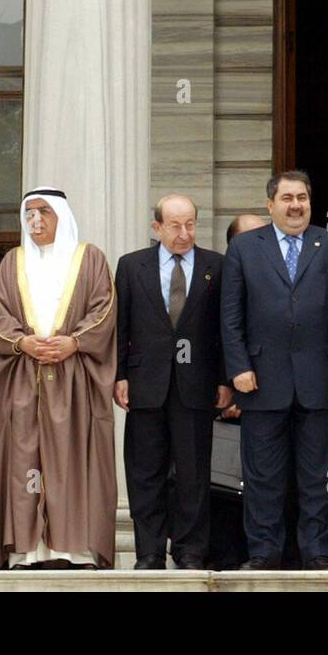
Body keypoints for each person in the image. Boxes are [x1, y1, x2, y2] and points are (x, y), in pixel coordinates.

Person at [224, 171, 328, 570]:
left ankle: (317, 552)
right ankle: (263, 553)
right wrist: (238, 367)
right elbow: (230, 316)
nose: (295, 205)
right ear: (270, 205)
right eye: (287, 198)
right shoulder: (245, 248)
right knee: (262, 477)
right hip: (261, 378)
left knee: (320, 476)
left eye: (302, 198)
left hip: (321, 379)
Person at [0, 188, 117, 569]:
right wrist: (22, 341)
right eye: (29, 214)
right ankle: (27, 551)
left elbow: (103, 308)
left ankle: (73, 549)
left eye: (44, 212)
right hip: (25, 378)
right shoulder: (13, 262)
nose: (36, 221)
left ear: (61, 215)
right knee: (26, 463)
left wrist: (74, 343)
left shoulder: (89, 258)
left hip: (74, 377)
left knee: (72, 461)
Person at [115, 194, 229, 569]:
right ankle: (149, 552)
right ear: (157, 227)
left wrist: (225, 379)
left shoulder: (217, 265)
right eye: (175, 225)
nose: (184, 233)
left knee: (193, 473)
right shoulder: (132, 266)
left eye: (191, 224)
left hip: (197, 383)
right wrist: (119, 375)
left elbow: (225, 329)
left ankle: (190, 550)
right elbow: (121, 326)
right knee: (146, 471)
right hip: (146, 383)